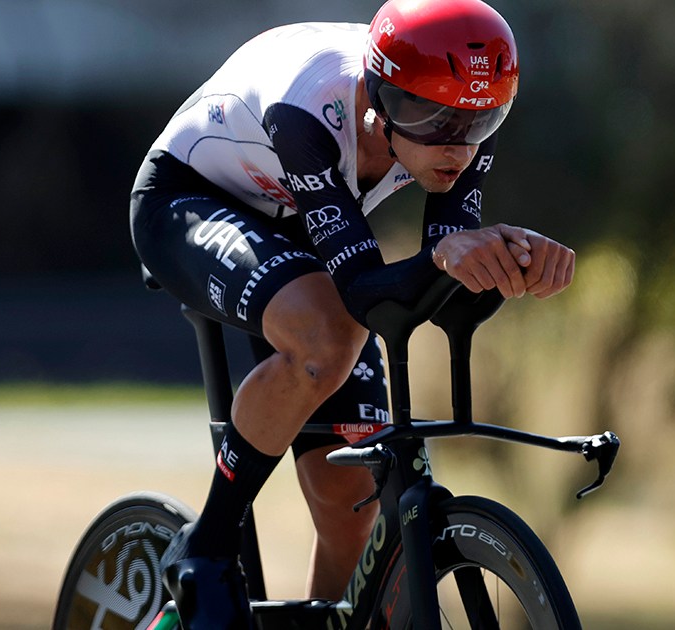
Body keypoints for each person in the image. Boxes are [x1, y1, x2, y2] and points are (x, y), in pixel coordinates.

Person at [129, 0, 574, 626]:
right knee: (325, 340)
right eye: (430, 118)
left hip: (303, 220)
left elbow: (440, 278)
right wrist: (446, 258)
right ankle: (203, 548)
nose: (456, 144)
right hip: (191, 198)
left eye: (478, 121)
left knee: (352, 504)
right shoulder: (310, 104)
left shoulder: (464, 129)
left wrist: (509, 266)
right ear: (378, 99)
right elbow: (366, 286)